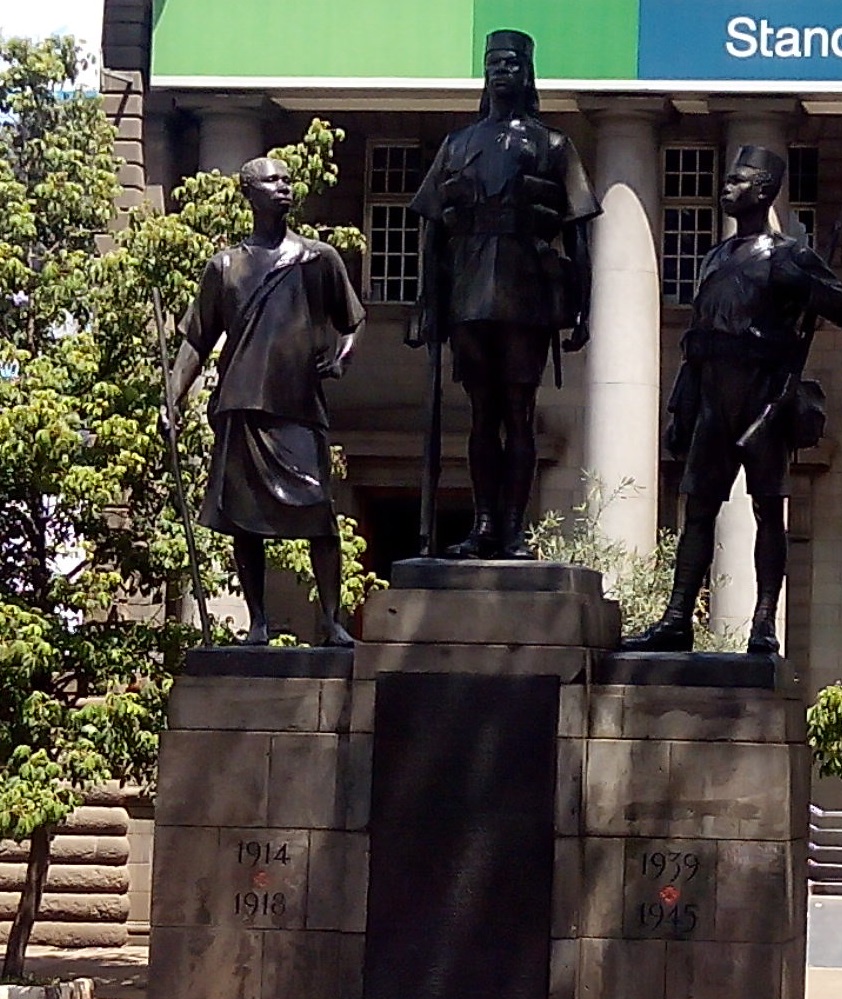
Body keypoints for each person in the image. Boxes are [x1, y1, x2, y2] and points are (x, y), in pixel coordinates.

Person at [622, 144, 842, 655]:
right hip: (711, 397)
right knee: (698, 509)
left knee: (768, 510)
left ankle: (764, 621)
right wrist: (680, 407)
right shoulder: (714, 257)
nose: (725, 187)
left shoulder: (790, 254)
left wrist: (805, 286)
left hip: (762, 397)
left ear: (766, 191)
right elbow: (697, 339)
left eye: (738, 180)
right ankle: (678, 616)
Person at [408, 29, 600, 560]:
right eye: (493, 63)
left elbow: (579, 234)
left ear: (527, 73)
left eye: (512, 63)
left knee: (519, 410)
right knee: (480, 413)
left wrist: (582, 308)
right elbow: (430, 230)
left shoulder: (554, 145)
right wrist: (427, 305)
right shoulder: (457, 145)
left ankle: (513, 529)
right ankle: (484, 522)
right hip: (468, 291)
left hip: (526, 291)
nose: (502, 71)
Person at [163, 156, 365, 645]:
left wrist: (340, 357)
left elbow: (353, 322)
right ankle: (258, 621)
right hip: (242, 402)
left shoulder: (319, 258)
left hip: (298, 403)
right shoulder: (225, 266)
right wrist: (171, 398)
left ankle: (332, 621)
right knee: (243, 521)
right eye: (272, 181)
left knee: (319, 515)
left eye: (287, 180)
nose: (283, 187)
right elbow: (197, 339)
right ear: (248, 193)